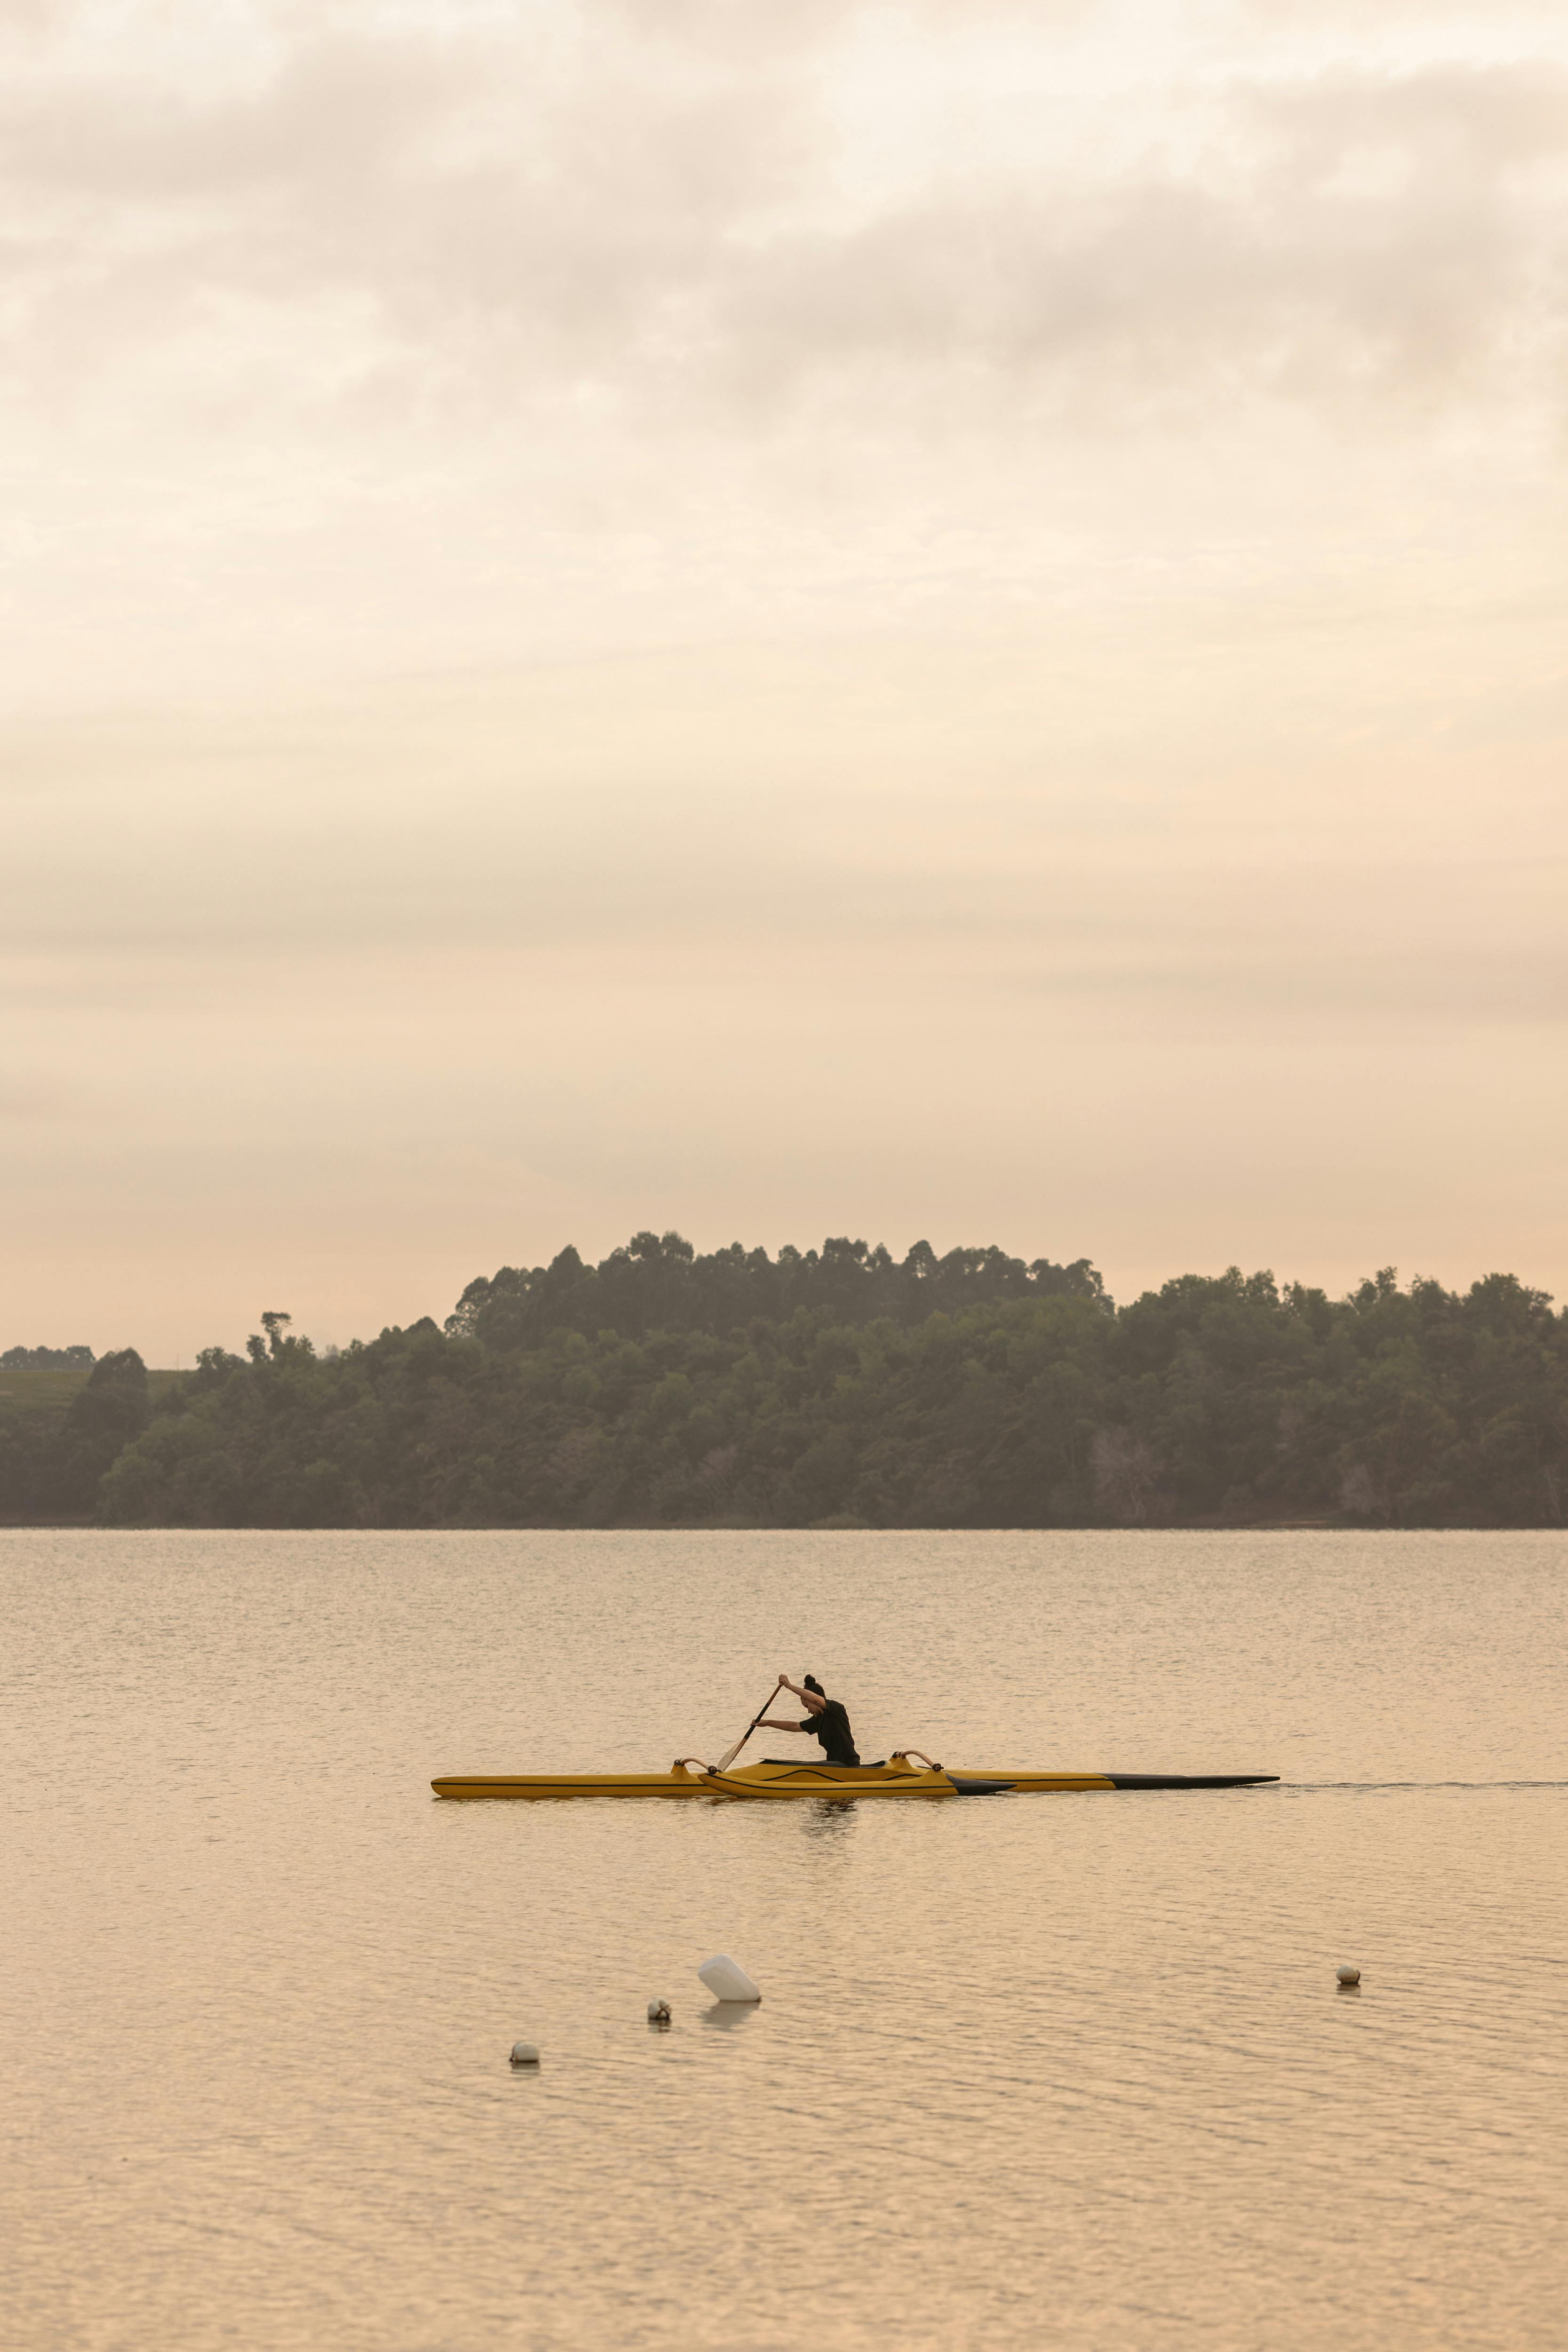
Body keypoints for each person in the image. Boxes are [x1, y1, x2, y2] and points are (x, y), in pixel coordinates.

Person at [756, 1673, 861, 1767]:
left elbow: (815, 1699)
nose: (808, 1711)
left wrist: (789, 1686)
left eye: (807, 1706)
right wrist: (767, 1723)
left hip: (848, 1765)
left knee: (805, 1767)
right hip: (835, 1765)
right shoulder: (818, 1720)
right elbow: (794, 1726)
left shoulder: (837, 1709)